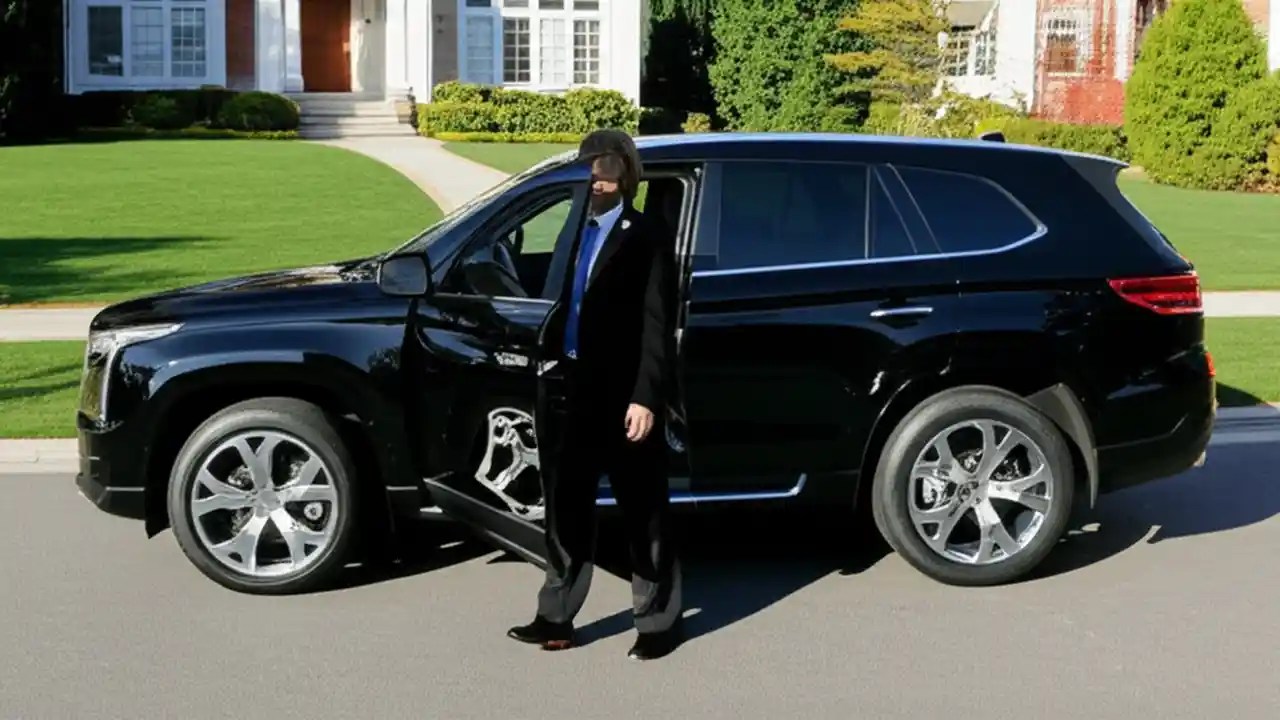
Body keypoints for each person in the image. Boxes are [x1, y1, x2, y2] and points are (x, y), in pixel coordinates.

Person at [506, 130, 683, 661]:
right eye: (588, 173)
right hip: (570, 390)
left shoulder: (645, 234)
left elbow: (657, 323)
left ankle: (657, 624)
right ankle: (555, 618)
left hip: (625, 395)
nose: (596, 182)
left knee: (642, 510)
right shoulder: (572, 230)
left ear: (625, 176)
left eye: (605, 173)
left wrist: (646, 397)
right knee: (566, 511)